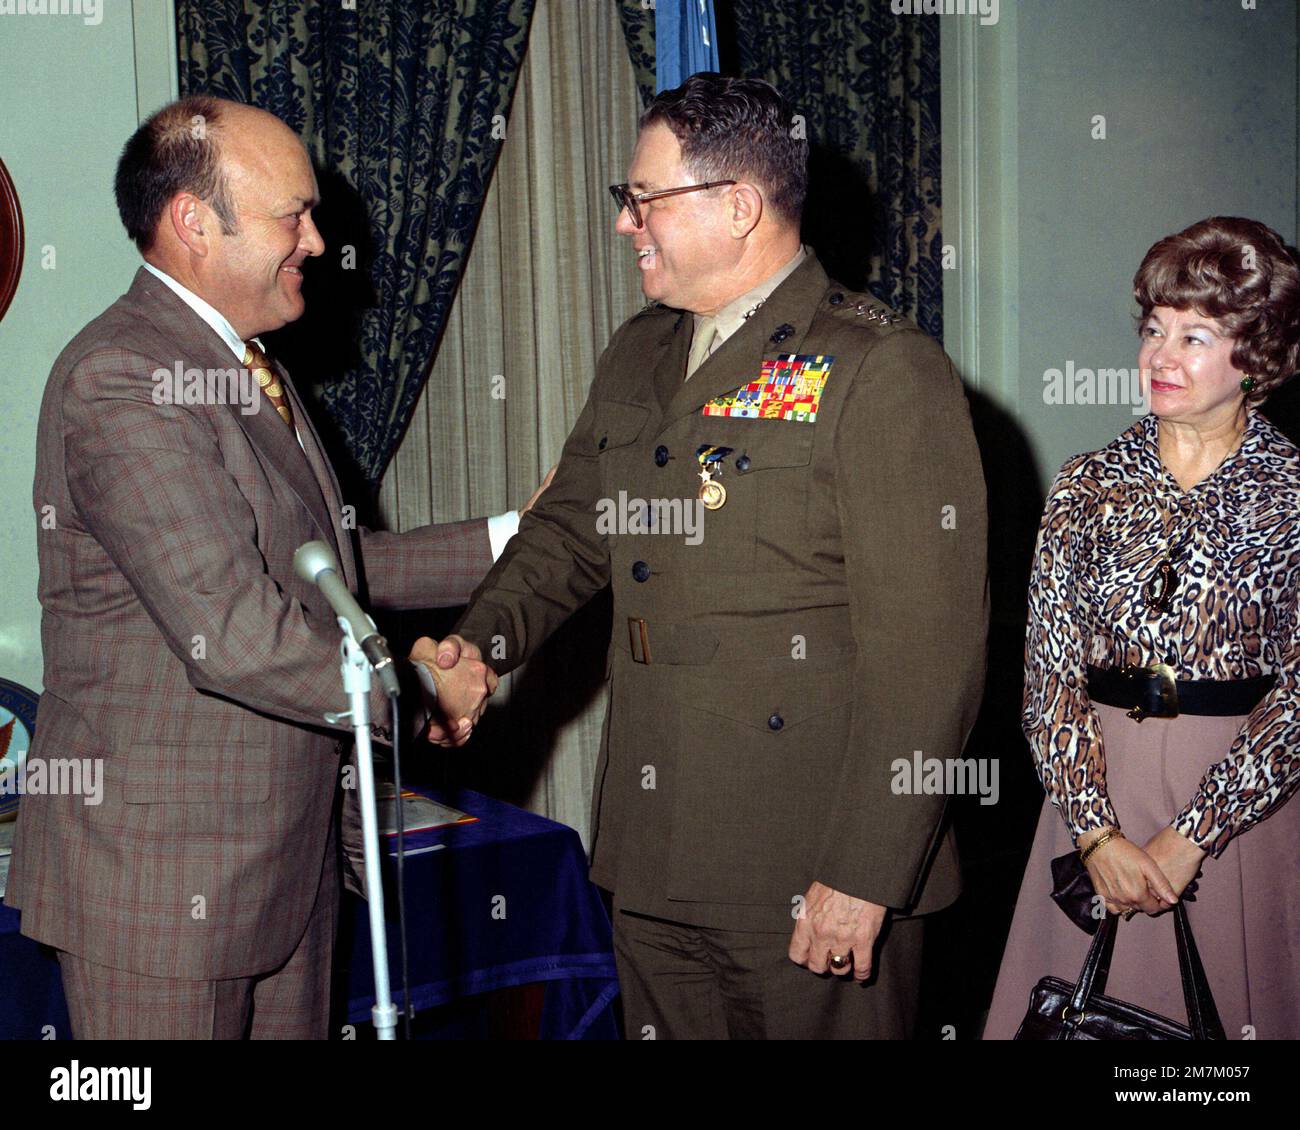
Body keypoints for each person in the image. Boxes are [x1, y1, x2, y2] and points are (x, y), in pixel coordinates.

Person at [413, 73, 987, 1040]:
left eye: (645, 200)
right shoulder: (640, 350)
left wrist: (864, 873)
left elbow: (930, 654)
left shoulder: (880, 367)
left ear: (739, 205)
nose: (625, 223)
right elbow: (572, 526)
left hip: (809, 861)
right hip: (655, 847)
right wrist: (483, 648)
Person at [6, 96, 541, 1039]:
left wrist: (515, 533)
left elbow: (327, 567)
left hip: (283, 871)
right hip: (165, 890)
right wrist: (414, 693)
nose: (317, 238)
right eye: (292, 214)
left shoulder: (247, 363)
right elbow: (238, 634)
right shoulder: (123, 377)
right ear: (192, 224)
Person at [985, 216, 1300, 1040]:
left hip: (1245, 810)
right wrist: (1094, 833)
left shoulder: (1291, 495)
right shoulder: (1087, 484)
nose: (1162, 356)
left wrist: (1194, 837)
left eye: (1196, 336)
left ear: (1256, 354)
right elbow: (1047, 673)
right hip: (1096, 793)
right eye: (1155, 330)